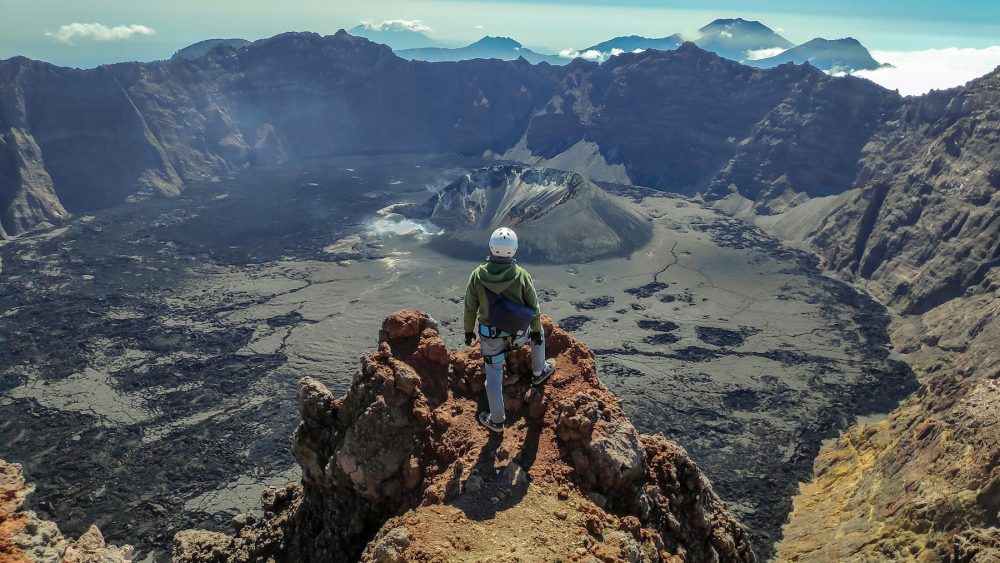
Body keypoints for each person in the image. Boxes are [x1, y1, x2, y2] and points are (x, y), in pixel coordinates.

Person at [464, 227, 556, 433]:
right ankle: (539, 371)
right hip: (518, 335)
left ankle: (497, 420)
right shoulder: (522, 275)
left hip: (491, 339)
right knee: (538, 333)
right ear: (514, 249)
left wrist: (468, 331)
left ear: (490, 247)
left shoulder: (477, 275)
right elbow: (534, 308)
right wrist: (534, 331)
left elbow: (470, 307)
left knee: (494, 376)